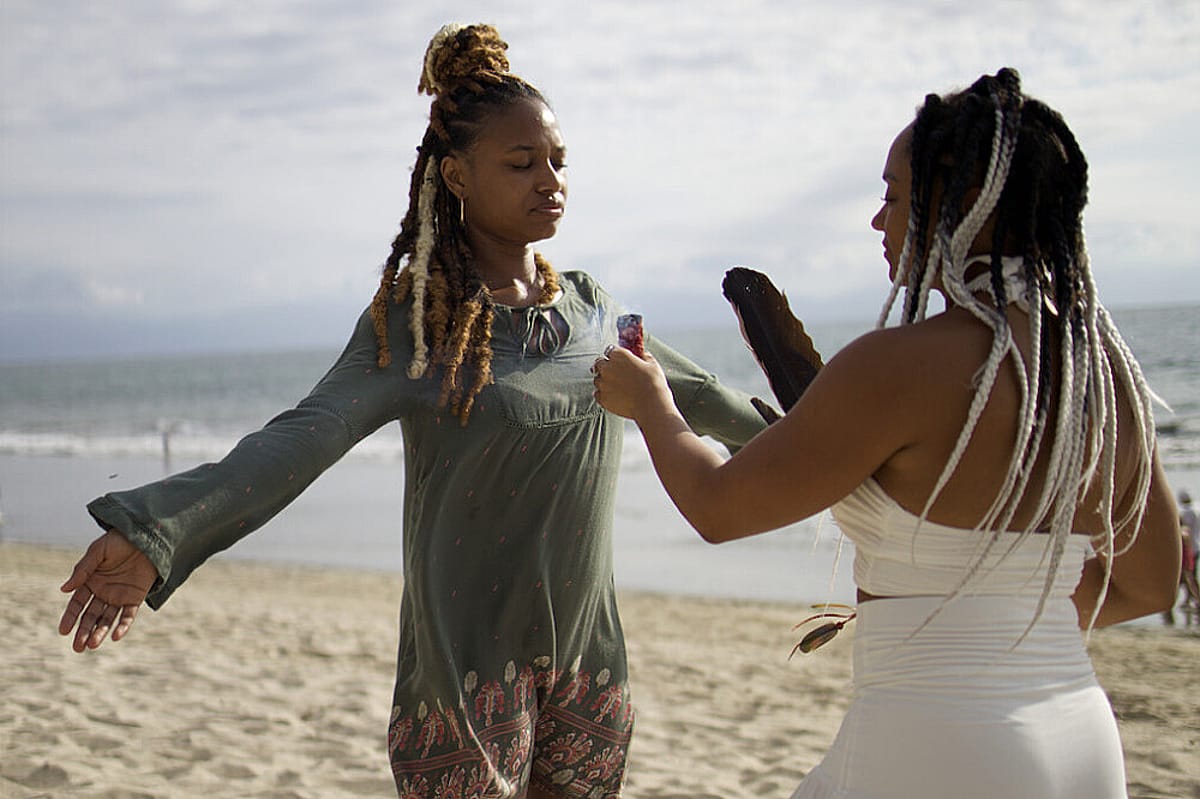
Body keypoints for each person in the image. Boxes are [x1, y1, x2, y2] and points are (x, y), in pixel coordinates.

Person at [56, 24, 766, 799]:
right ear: (457, 175)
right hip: (464, 687)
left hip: (589, 671)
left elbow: (699, 396)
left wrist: (835, 442)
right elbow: (300, 440)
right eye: (523, 163)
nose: (550, 180)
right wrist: (160, 530)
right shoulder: (419, 325)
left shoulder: (594, 309)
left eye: (560, 161)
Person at [592, 68, 1180, 798]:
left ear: (963, 203)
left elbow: (718, 507)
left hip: (939, 740)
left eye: (894, 196)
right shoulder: (1100, 372)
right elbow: (1151, 581)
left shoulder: (900, 365)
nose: (879, 220)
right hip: (1080, 736)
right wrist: (994, 620)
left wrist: (651, 400)